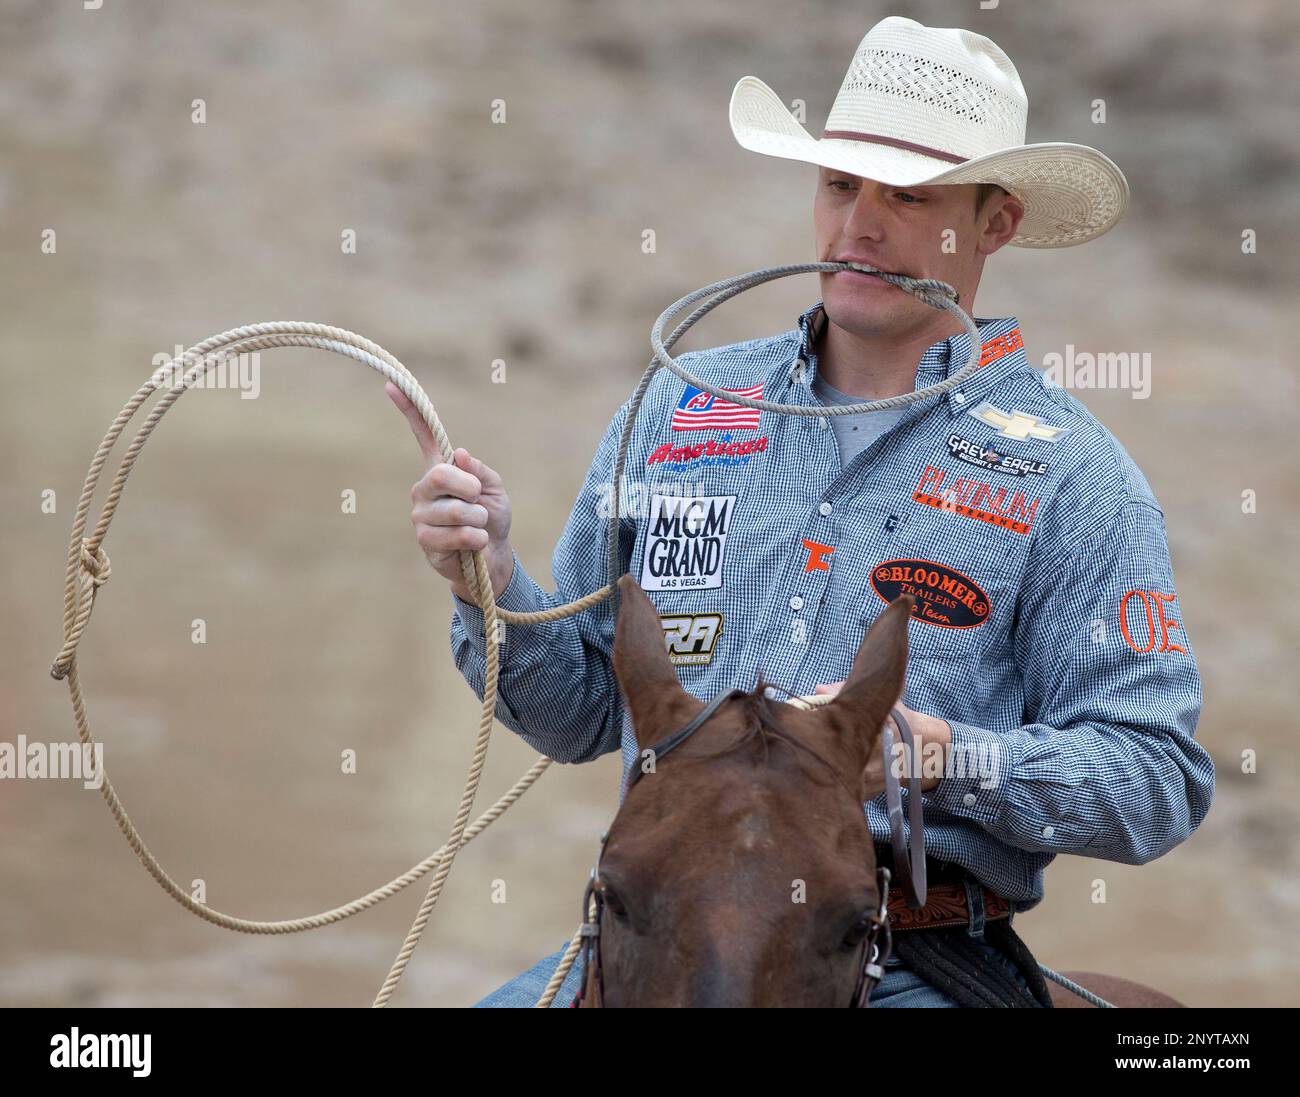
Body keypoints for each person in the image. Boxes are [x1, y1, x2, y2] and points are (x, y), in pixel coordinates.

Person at [387, 16, 1214, 1007]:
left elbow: (1155, 777)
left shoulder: (1073, 473)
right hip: (658, 935)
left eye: (908, 197)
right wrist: (489, 576)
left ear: (995, 223)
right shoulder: (680, 403)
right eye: (838, 186)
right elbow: (577, 716)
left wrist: (946, 757)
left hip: (909, 953)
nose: (860, 226)